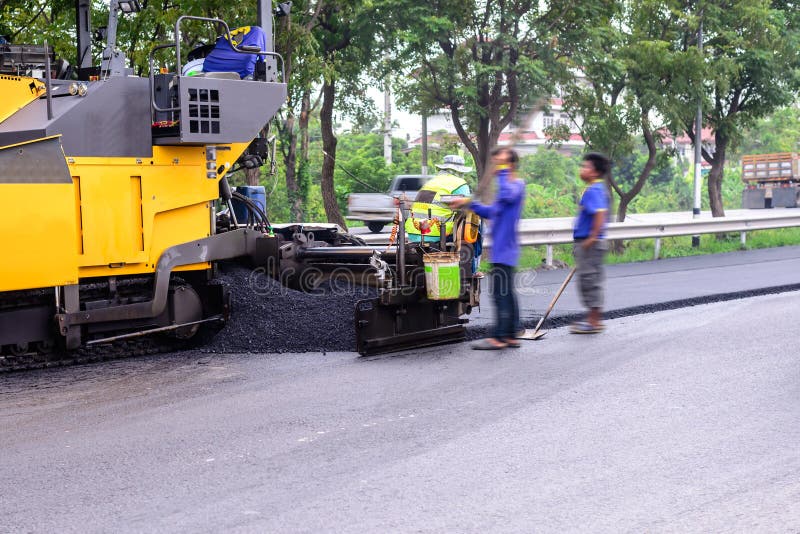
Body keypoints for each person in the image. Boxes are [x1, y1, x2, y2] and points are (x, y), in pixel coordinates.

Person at [449, 147, 525, 350]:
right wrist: (467, 203)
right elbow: (492, 212)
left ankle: (500, 337)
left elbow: (508, 195)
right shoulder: (507, 188)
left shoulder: (515, 185)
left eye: (499, 160)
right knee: (506, 292)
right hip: (502, 247)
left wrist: (499, 172)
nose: (495, 163)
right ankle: (511, 334)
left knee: (500, 293)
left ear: (509, 164)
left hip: (505, 248)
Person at [571, 152, 611, 334]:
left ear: (595, 172)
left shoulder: (595, 190)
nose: (582, 170)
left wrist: (592, 237)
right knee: (587, 280)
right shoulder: (594, 188)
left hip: (590, 243)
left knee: (590, 280)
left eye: (585, 166)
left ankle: (594, 322)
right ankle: (593, 319)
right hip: (587, 242)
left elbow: (600, 213)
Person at [404, 155, 473, 245]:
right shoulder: (459, 183)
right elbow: (468, 206)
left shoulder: (431, 182)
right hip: (437, 233)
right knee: (473, 228)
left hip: (413, 232)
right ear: (459, 171)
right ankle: (472, 259)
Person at [202, 25, 266, 79]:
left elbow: (262, 60)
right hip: (209, 70)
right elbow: (262, 59)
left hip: (237, 73)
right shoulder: (226, 38)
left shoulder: (256, 33)